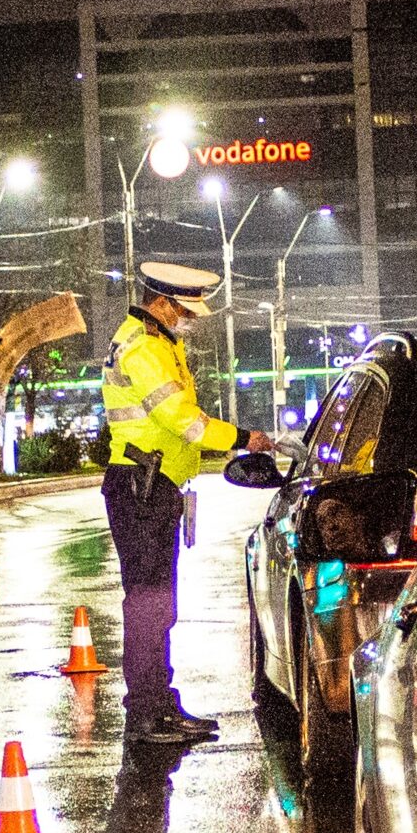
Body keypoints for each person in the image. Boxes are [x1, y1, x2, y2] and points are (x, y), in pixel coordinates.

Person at [99, 262, 272, 744]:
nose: (190, 320)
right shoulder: (145, 349)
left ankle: (159, 705)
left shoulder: (154, 343)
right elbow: (183, 421)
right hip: (142, 487)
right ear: (161, 303)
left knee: (157, 603)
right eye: (184, 310)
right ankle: (148, 715)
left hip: (153, 484)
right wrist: (243, 438)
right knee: (150, 605)